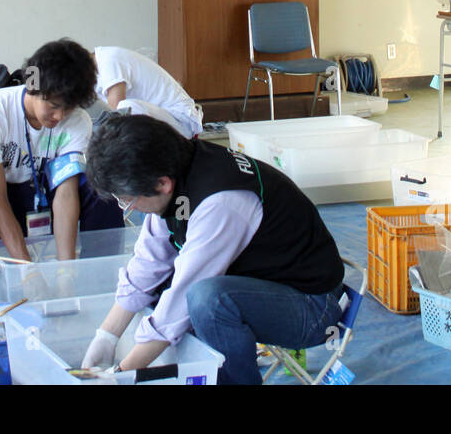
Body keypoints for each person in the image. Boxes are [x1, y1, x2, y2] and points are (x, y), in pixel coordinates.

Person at [81, 115, 345, 385]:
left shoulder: (220, 202)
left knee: (208, 301)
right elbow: (149, 263)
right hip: (263, 287)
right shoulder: (176, 168)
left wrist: (121, 374)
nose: (130, 207)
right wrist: (107, 336)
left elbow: (183, 299)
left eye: (127, 199)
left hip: (313, 305)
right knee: (165, 292)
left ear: (162, 184)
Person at [0, 38, 123, 298]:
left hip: (42, 202)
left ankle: (97, 288)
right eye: (54, 106)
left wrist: (65, 274)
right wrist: (28, 271)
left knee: (100, 188)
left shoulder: (77, 121)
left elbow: (66, 193)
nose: (59, 117)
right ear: (32, 86)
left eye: (68, 108)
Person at [93, 46, 203, 137]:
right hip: (162, 121)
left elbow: (115, 114)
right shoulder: (96, 70)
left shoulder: (109, 61)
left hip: (181, 122)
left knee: (125, 109)